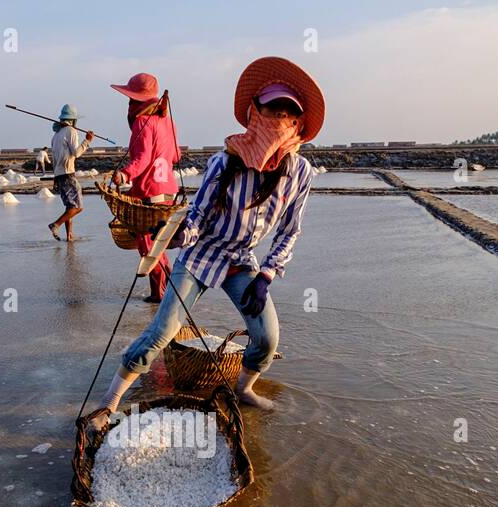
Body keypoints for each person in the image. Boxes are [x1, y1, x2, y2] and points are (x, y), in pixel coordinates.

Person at [92, 57, 324, 414]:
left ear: (297, 124)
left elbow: (289, 230)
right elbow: (198, 217)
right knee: (162, 332)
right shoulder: (224, 162)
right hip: (201, 255)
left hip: (242, 260)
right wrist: (180, 234)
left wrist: (266, 274)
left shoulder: (301, 172)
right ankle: (109, 402)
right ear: (254, 114)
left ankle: (245, 388)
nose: (279, 121)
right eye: (271, 110)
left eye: (287, 114)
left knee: (266, 337)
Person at [108, 72, 180, 302]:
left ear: (136, 101)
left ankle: (165, 294)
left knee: (149, 248)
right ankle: (158, 292)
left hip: (150, 194)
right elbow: (176, 155)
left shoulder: (142, 121)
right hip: (169, 192)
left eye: (130, 100)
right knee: (156, 244)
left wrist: (123, 174)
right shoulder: (167, 121)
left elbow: (141, 160)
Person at [48, 105, 94, 241]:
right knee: (78, 206)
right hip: (68, 173)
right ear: (73, 120)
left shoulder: (56, 135)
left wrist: (55, 177)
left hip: (59, 174)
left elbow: (54, 159)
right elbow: (76, 153)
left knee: (70, 206)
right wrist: (87, 140)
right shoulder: (71, 131)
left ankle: (69, 236)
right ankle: (55, 225)